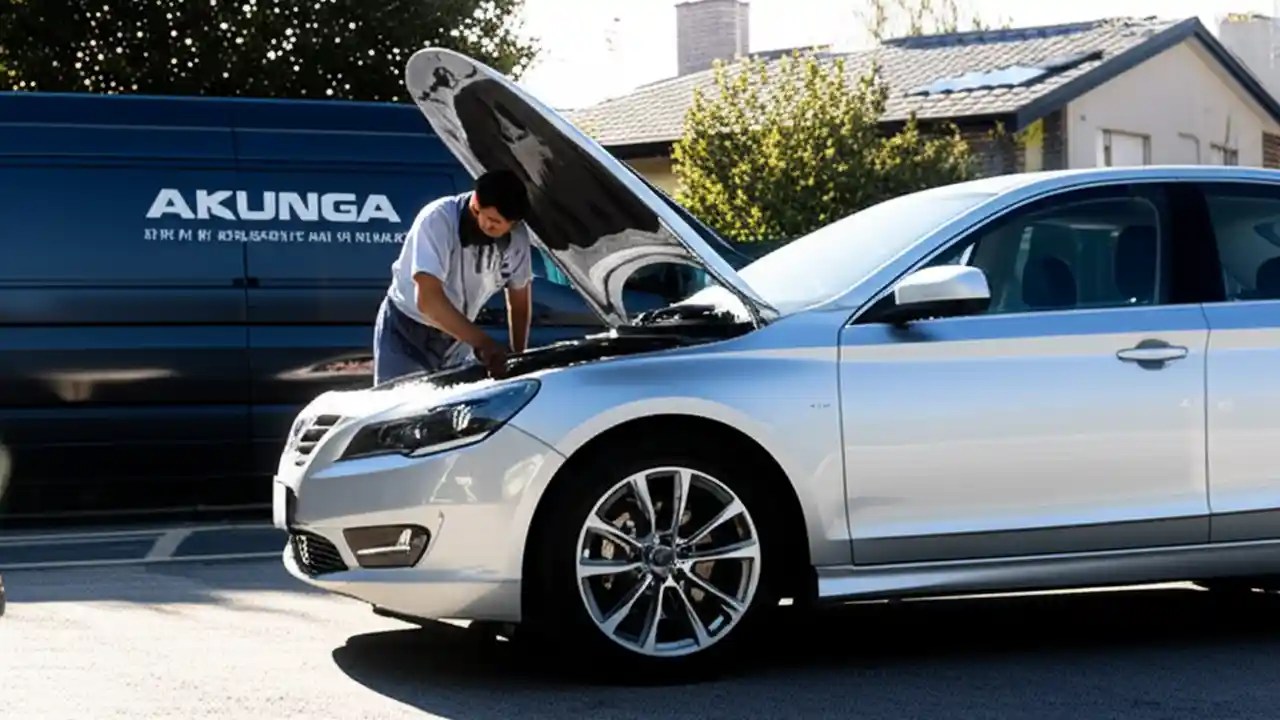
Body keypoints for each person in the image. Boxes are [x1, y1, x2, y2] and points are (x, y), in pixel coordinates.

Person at [373, 169, 533, 384]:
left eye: (498, 224)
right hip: (406, 329)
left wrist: (517, 356)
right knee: (400, 409)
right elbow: (428, 301)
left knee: (450, 413)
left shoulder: (517, 239)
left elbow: (520, 302)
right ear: (476, 202)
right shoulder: (437, 219)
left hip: (458, 336)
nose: (488, 226)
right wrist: (484, 343)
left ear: (513, 223)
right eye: (486, 217)